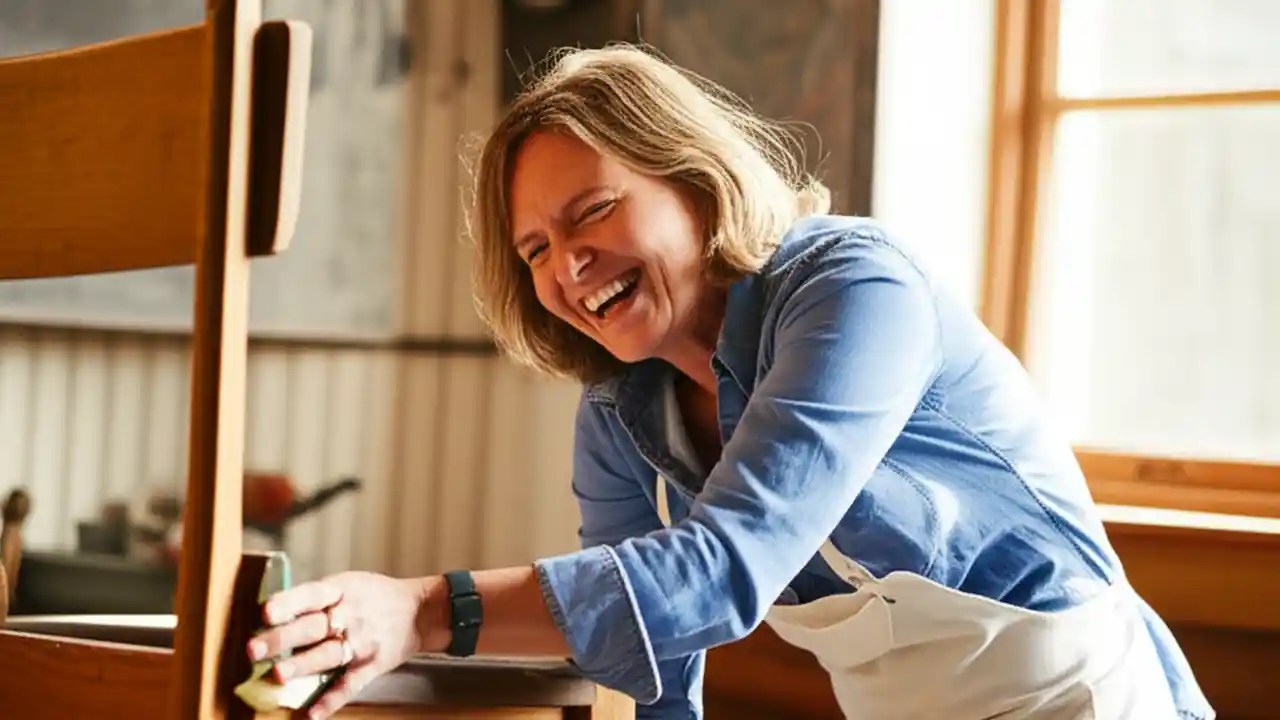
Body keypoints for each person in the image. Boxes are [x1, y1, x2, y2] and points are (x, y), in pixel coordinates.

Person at [249, 45, 1213, 720]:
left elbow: (725, 568)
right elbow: (649, 657)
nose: (567, 269)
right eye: (536, 251)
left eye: (593, 213)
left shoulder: (853, 288)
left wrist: (422, 609)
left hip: (1086, 702)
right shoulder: (619, 411)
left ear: (696, 180)